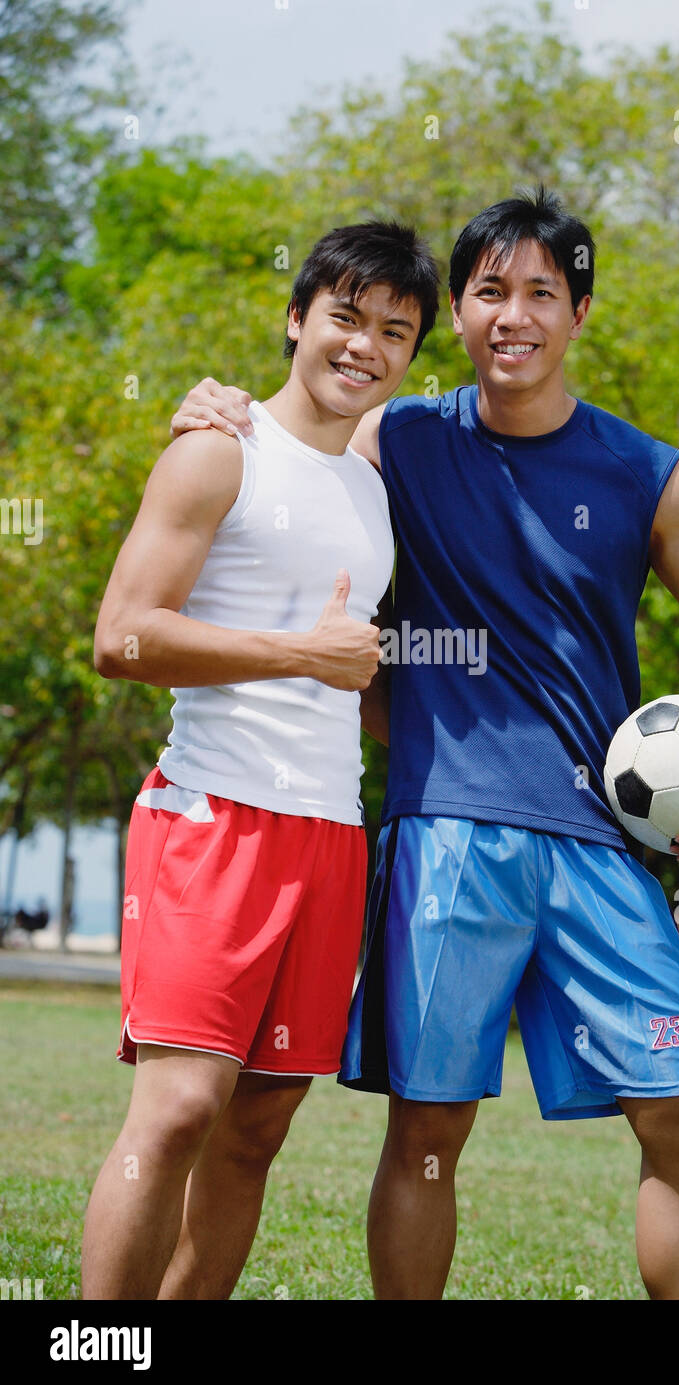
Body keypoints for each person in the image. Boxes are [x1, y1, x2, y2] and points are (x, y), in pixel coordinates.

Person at [171, 188, 679, 1301]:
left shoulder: (647, 471)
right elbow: (293, 445)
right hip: (446, 837)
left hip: (602, 841)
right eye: (487, 291)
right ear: (454, 315)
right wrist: (218, 405)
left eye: (540, 293)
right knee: (427, 1127)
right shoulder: (400, 438)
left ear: (579, 311)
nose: (513, 315)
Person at [81, 220, 440, 1299]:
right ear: (296, 319)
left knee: (258, 1127)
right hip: (212, 822)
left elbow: (360, 680)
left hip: (328, 837)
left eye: (394, 329)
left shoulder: (376, 488)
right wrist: (300, 653)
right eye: (344, 316)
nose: (363, 346)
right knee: (182, 1106)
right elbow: (122, 635)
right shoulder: (216, 448)